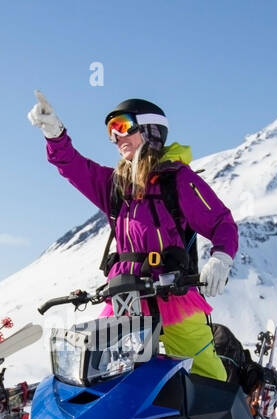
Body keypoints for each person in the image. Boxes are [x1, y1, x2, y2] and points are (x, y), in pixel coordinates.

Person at [27, 91, 237, 380]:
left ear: (151, 130)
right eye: (111, 132)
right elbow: (73, 166)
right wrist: (54, 133)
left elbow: (221, 222)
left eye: (123, 126)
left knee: (208, 379)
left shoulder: (178, 179)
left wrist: (221, 258)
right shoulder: (115, 185)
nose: (117, 137)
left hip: (174, 296)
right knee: (99, 374)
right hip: (126, 299)